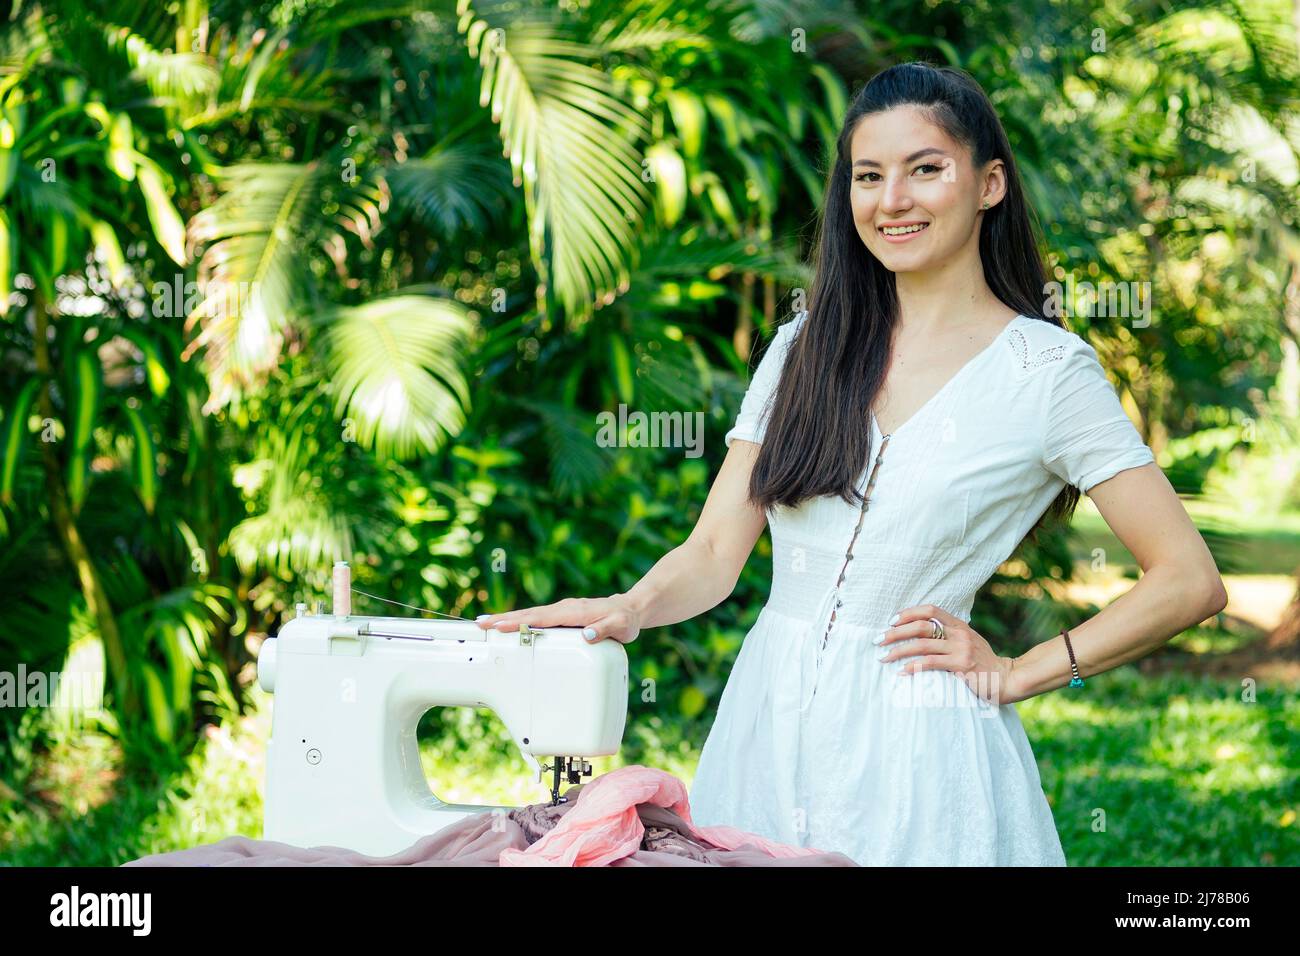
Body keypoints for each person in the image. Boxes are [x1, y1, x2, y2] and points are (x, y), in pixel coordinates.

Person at [475, 61, 1227, 866]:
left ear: (990, 184)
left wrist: (1025, 670)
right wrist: (631, 605)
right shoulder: (807, 347)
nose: (891, 200)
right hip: (767, 719)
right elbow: (713, 554)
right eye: (868, 176)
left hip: (923, 753)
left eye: (926, 169)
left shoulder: (1047, 373)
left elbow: (1187, 579)